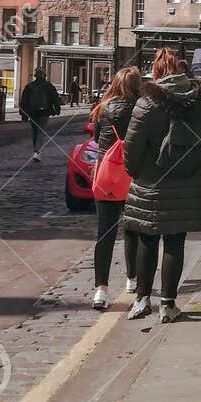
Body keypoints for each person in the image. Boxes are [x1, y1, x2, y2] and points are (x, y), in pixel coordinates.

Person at [120, 47, 201, 322]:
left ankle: (142, 299)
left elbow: (132, 148)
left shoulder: (146, 103)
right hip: (186, 182)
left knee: (147, 239)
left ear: (157, 71)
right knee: (175, 242)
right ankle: (168, 305)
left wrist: (135, 172)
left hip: (150, 181)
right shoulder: (197, 101)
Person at [89, 66, 141, 310]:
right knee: (132, 229)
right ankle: (132, 279)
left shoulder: (103, 109)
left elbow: (96, 139)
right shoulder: (141, 109)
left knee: (105, 234)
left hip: (106, 175)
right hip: (132, 176)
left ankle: (101, 290)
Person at [19, 67, 62, 161]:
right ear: (44, 75)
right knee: (40, 132)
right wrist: (57, 109)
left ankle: (36, 151)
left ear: (36, 75)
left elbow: (23, 101)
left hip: (32, 112)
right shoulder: (48, 85)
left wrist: (23, 113)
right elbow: (55, 98)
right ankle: (37, 151)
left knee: (35, 132)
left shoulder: (29, 86)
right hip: (44, 112)